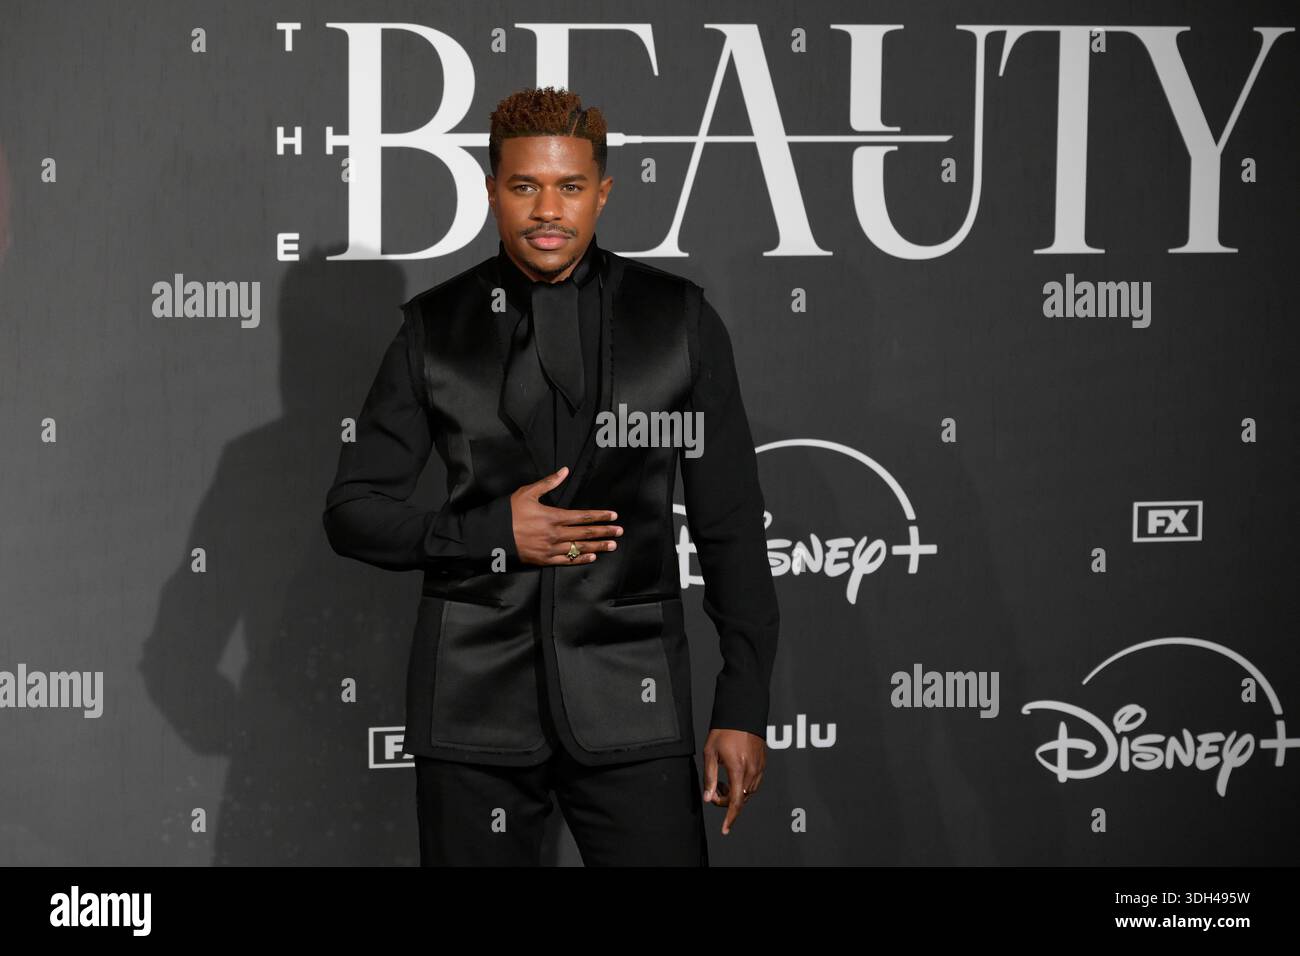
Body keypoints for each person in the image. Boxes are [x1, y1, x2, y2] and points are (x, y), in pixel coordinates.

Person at [322, 86, 779, 866]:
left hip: (632, 701)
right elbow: (353, 511)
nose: (547, 210)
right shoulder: (432, 331)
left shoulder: (680, 323)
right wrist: (489, 535)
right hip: (472, 712)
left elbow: (730, 525)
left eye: (569, 188)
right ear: (491, 187)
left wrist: (741, 703)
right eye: (525, 186)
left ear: (602, 192)